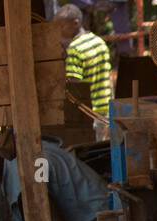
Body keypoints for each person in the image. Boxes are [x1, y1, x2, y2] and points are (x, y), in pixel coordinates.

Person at [56, 3, 112, 140]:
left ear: (76, 23)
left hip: (90, 113)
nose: (59, 30)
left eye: (62, 26)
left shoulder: (75, 49)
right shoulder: (99, 41)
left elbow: (74, 87)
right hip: (107, 109)